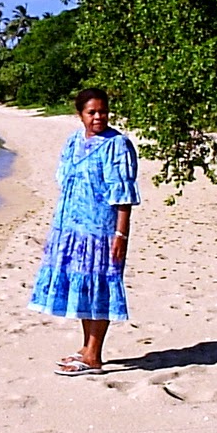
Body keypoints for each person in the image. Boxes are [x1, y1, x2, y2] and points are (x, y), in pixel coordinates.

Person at [29, 88, 141, 375]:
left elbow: (123, 195)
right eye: (92, 112)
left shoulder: (118, 145)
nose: (98, 117)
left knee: (99, 287)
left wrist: (121, 235)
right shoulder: (72, 142)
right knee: (82, 288)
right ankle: (86, 348)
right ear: (80, 115)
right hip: (71, 228)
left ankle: (94, 355)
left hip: (101, 231)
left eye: (102, 111)